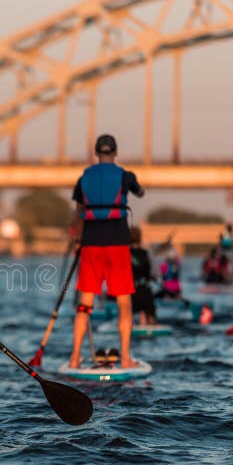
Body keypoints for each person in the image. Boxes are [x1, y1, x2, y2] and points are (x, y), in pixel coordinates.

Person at [70, 134, 144, 369]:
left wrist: (77, 242)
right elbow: (140, 192)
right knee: (124, 303)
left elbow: (79, 211)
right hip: (118, 244)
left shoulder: (84, 177)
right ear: (115, 152)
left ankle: (74, 359)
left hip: (90, 244)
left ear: (96, 153)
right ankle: (125, 358)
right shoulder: (125, 176)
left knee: (85, 303)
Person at [129, 226, 157, 325]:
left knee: (128, 315)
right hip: (146, 291)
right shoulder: (147, 253)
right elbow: (155, 274)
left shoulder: (124, 254)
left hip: (131, 292)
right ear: (140, 238)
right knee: (151, 318)